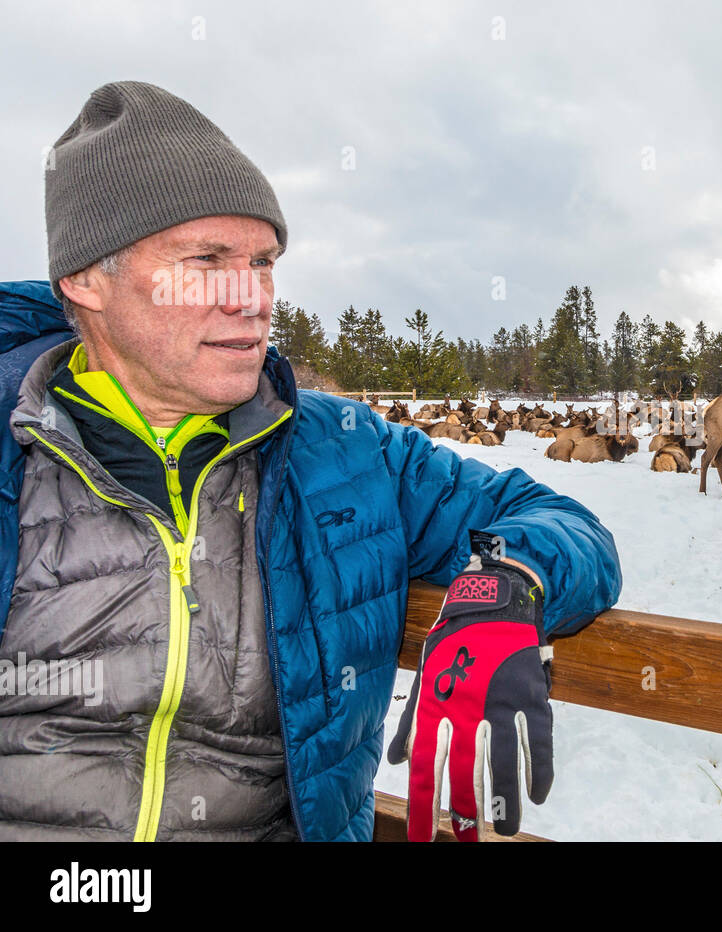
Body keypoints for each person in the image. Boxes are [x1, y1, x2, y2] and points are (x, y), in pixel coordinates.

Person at [0, 81, 621, 841]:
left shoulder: (347, 453)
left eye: (263, 263)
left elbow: (567, 522)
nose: (252, 298)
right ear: (86, 280)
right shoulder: (15, 445)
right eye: (207, 261)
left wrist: (510, 583)